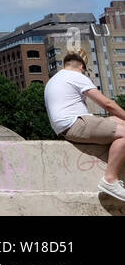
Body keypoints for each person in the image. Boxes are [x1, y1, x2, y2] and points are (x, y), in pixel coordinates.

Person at [44, 50, 125, 200]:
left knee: (118, 121)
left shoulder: (54, 79)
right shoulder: (76, 76)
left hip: (68, 126)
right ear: (82, 67)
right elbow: (107, 104)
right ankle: (110, 180)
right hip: (76, 123)